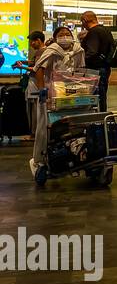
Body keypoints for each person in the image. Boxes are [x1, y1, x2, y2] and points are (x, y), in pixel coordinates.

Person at [30, 26, 85, 178]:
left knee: (74, 124)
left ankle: (74, 154)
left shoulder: (78, 50)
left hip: (72, 92)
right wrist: (42, 89)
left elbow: (81, 70)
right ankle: (39, 159)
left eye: (67, 34)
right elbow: (39, 68)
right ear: (55, 38)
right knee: (45, 127)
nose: (65, 37)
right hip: (51, 93)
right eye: (61, 35)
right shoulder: (51, 50)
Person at [79, 11, 115, 112]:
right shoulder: (106, 30)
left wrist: (80, 62)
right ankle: (102, 117)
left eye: (82, 22)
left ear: (85, 20)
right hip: (105, 67)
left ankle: (96, 119)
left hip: (95, 69)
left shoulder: (93, 32)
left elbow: (92, 51)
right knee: (102, 96)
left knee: (95, 97)